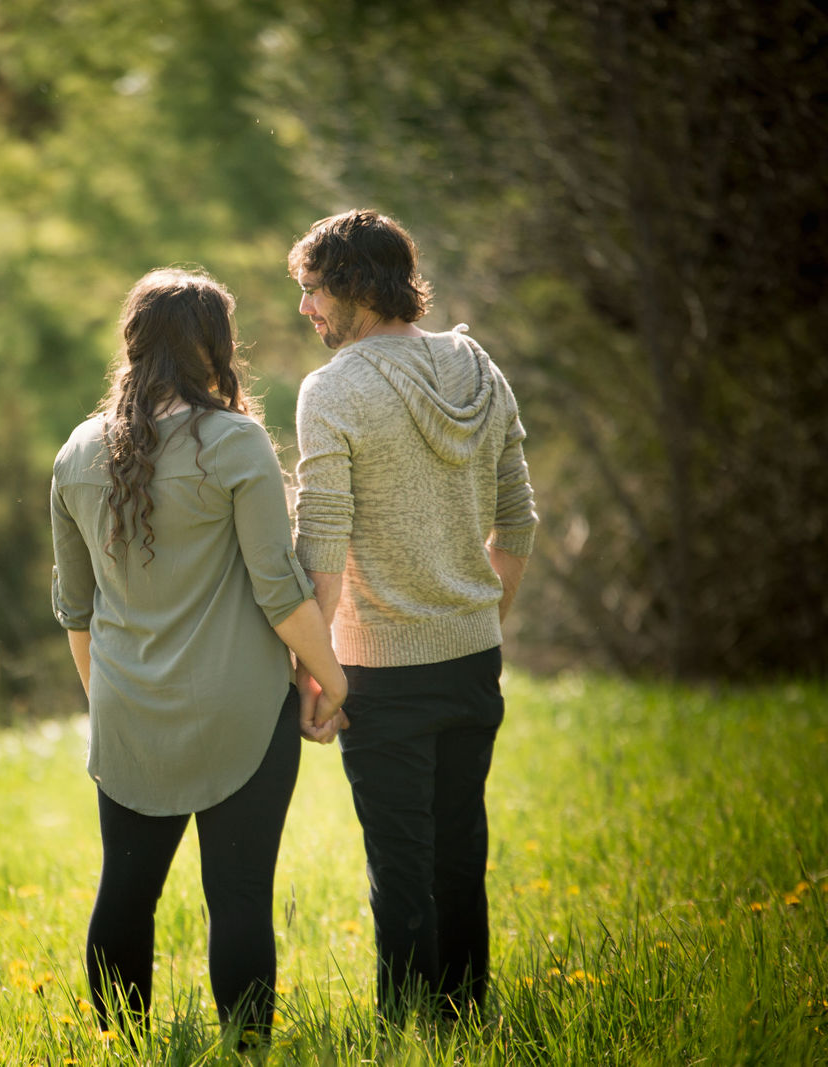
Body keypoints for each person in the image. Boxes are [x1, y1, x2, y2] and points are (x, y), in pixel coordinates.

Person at [49, 267, 349, 1044]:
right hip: (242, 714)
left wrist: (106, 699)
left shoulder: (78, 452)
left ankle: (122, 1049)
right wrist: (333, 677)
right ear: (215, 347)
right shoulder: (236, 442)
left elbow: (75, 609)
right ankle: (247, 1052)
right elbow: (280, 592)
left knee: (126, 889)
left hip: (127, 714)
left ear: (133, 344)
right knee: (241, 895)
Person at [286, 209, 539, 1025]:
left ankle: (410, 1034)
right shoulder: (477, 365)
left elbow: (321, 549)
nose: (304, 310)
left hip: (382, 669)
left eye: (313, 290)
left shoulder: (331, 391)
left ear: (356, 285)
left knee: (402, 865)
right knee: (460, 852)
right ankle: (469, 1021)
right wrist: (480, 618)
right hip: (474, 658)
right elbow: (520, 521)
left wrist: (315, 673)